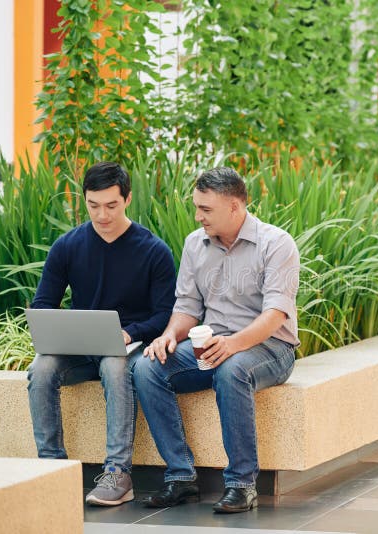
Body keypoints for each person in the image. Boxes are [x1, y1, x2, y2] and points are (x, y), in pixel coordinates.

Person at [133, 166, 299, 513]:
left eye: (205, 209)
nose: (198, 216)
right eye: (197, 207)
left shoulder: (276, 243)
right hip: (212, 345)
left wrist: (232, 345)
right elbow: (187, 307)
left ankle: (241, 485)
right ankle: (181, 477)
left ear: (234, 206)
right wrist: (168, 336)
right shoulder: (195, 244)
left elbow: (275, 315)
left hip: (270, 348)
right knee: (148, 368)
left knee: (231, 369)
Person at [27, 162, 177, 506]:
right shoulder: (67, 246)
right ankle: (51, 468)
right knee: (41, 368)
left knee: (114, 364)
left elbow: (164, 315)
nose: (102, 215)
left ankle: (118, 473)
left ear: (128, 199)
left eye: (111, 205)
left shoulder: (153, 250)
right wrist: (58, 329)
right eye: (93, 205)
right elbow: (44, 302)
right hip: (81, 345)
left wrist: (129, 332)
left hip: (130, 344)